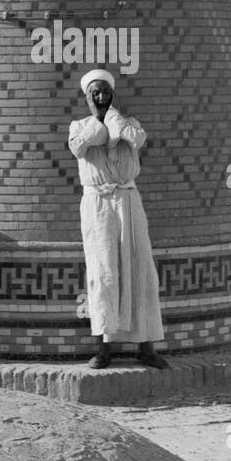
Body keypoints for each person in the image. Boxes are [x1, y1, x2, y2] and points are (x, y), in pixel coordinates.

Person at [68, 70, 168, 370]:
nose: (100, 98)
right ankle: (104, 348)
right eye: (94, 93)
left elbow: (136, 139)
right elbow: (82, 145)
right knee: (103, 271)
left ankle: (146, 346)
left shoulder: (127, 124)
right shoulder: (79, 126)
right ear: (86, 97)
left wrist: (113, 119)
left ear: (112, 94)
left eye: (105, 92)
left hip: (127, 201)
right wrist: (100, 120)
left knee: (141, 270)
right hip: (97, 205)